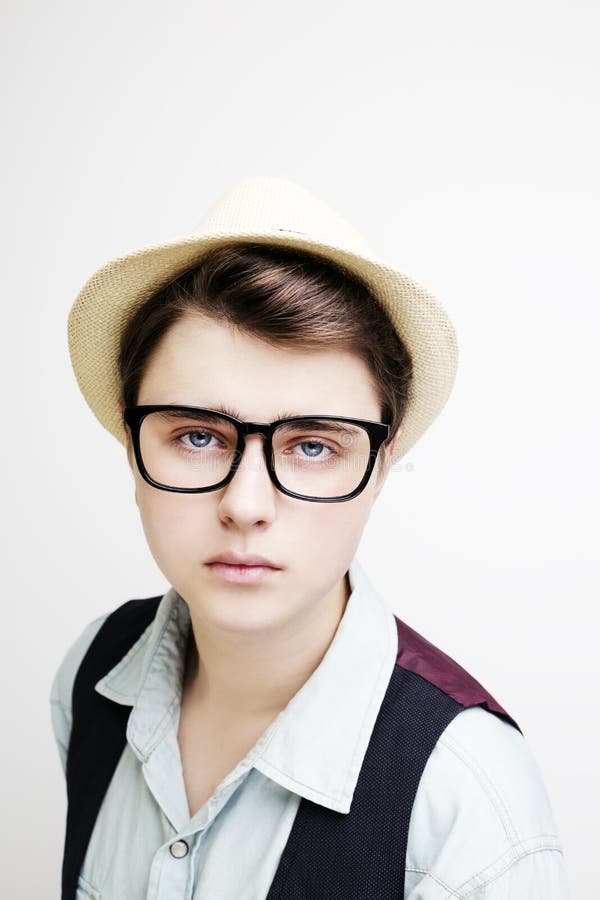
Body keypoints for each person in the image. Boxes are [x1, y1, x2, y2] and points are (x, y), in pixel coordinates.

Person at [50, 175, 571, 899]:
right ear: (132, 443)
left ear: (379, 467)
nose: (246, 504)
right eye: (197, 436)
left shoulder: (464, 798)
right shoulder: (94, 676)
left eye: (313, 446)